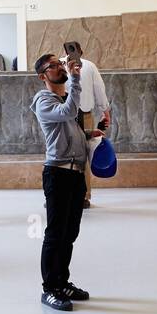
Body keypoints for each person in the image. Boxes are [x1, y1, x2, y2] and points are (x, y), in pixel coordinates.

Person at [31, 52, 102, 311]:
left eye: (60, 63)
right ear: (42, 76)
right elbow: (68, 111)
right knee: (55, 233)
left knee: (70, 233)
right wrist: (74, 79)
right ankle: (49, 289)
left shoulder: (62, 99)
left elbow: (68, 126)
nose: (60, 67)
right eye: (53, 66)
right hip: (57, 173)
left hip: (75, 174)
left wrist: (86, 134)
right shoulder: (43, 100)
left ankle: (63, 282)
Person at [65, 41, 111, 209]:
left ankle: (64, 195)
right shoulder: (89, 65)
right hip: (84, 115)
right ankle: (83, 196)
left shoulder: (60, 65)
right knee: (83, 157)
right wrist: (105, 111)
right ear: (81, 52)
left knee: (61, 155)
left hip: (64, 116)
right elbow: (99, 89)